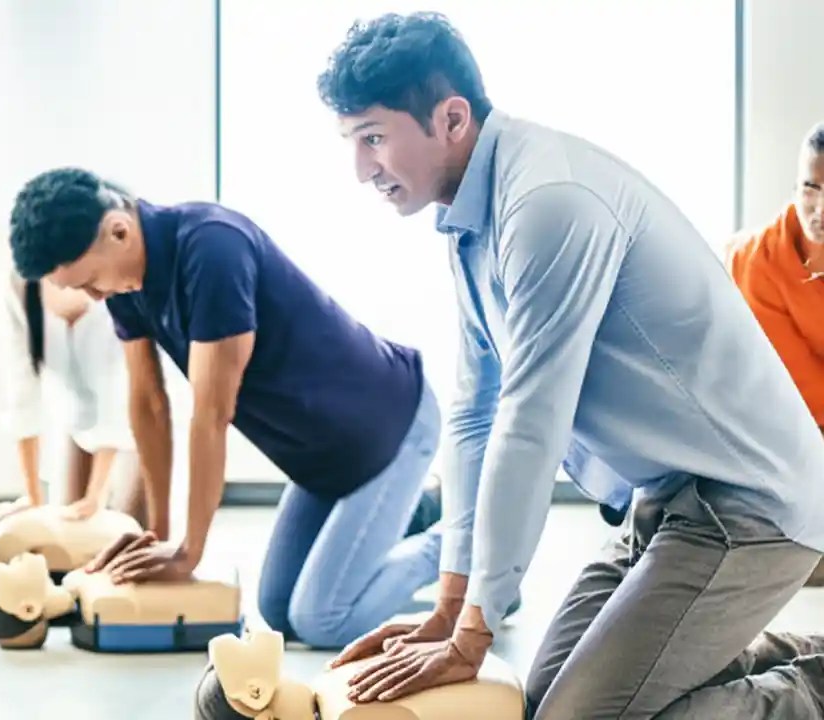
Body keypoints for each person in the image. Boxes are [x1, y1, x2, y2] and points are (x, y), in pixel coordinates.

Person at [317, 12, 824, 719]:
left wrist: (472, 635)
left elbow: (531, 425)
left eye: (373, 138)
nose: (362, 168)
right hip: (672, 505)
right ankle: (761, 652)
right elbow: (474, 413)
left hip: (753, 509)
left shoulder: (546, 203)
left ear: (452, 119)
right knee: (539, 701)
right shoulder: (472, 221)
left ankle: (812, 688)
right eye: (352, 142)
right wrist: (452, 605)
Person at [7, 168, 446, 649]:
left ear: (119, 230)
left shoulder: (213, 247)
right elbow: (149, 405)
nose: (93, 296)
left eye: (90, 281)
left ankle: (455, 543)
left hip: (387, 430)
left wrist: (189, 552)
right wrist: (157, 532)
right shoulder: (126, 283)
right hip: (322, 460)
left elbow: (210, 414)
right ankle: (417, 508)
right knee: (280, 613)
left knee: (324, 620)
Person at [726, 122, 824, 588]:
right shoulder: (759, 261)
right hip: (782, 417)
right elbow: (801, 396)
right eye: (811, 188)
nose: (819, 209)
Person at [0, 269, 146, 525]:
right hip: (78, 421)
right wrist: (33, 497)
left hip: (142, 417)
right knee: (64, 526)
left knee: (132, 528)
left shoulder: (111, 278)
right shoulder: (18, 281)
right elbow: (22, 395)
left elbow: (118, 396)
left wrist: (96, 496)